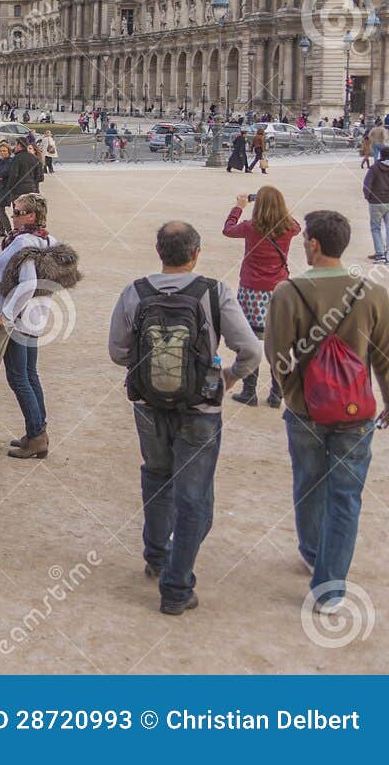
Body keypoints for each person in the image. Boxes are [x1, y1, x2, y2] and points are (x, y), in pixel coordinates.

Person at [107, 221, 259, 615]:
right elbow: (251, 351)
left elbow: (117, 351)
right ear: (196, 254)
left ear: (159, 251)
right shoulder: (214, 292)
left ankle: (156, 556)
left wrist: (148, 371)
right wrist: (227, 378)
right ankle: (176, 586)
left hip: (148, 405)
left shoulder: (135, 291)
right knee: (195, 497)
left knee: (156, 475)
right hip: (200, 407)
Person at [264, 209, 389, 613]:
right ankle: (330, 589)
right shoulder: (372, 293)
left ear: (314, 244)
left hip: (305, 411)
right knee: (346, 498)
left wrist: (293, 395)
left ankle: (312, 551)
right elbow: (384, 357)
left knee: (308, 482)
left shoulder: (288, 292)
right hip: (355, 411)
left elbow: (277, 353)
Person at [0, 193, 79, 460]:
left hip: (18, 318)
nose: (12, 215)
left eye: (17, 212)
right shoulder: (48, 239)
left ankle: (37, 436)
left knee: (18, 377)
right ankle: (37, 431)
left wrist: (5, 315)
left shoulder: (25, 243)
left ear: (31, 216)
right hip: (37, 316)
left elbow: (27, 285)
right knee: (30, 374)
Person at [223, 186, 299, 407]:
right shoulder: (289, 227)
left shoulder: (250, 227)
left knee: (251, 342)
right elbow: (298, 226)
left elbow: (227, 230)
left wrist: (239, 206)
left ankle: (249, 392)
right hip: (279, 290)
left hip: (252, 289)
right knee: (279, 343)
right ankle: (277, 394)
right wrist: (280, 210)